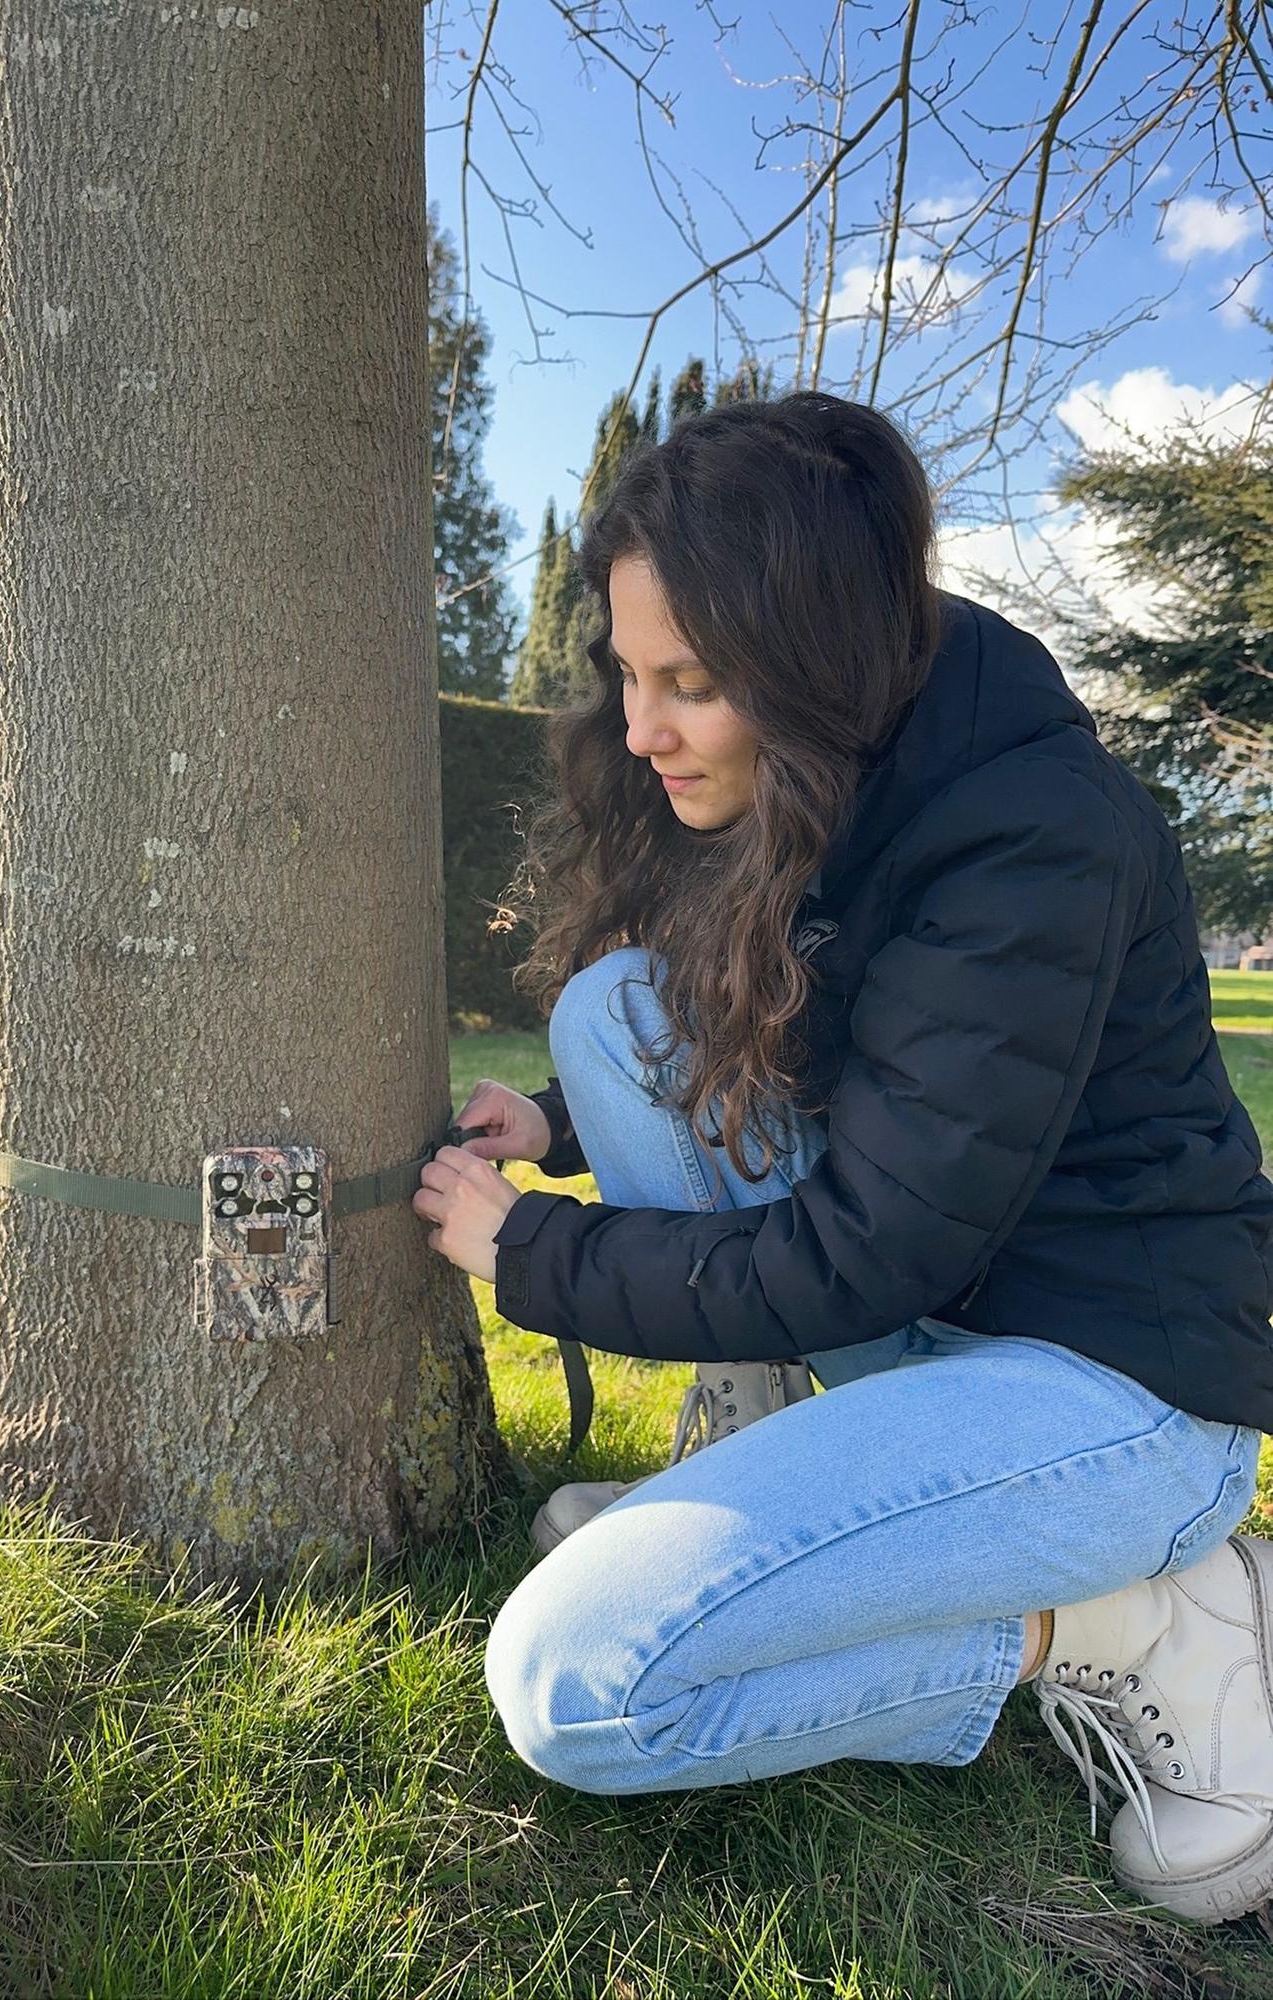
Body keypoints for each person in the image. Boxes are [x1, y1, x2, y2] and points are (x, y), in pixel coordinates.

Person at [410, 392, 1273, 1928]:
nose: (639, 728)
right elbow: (805, 1043)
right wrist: (554, 1109)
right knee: (618, 1014)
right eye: (628, 674)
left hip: (1117, 1389)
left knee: (581, 1684)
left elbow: (867, 1251)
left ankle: (1138, 1626)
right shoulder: (852, 762)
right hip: (944, 1312)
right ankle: (772, 1485)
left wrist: (531, 1253)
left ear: (809, 664)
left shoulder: (1032, 835)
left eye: (690, 684)